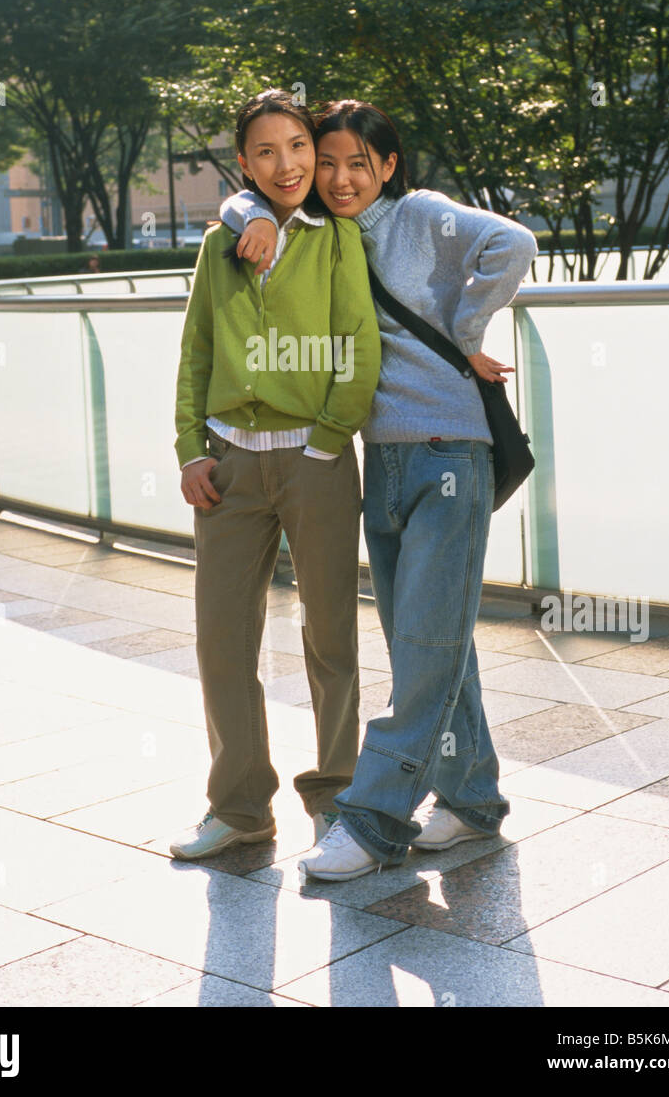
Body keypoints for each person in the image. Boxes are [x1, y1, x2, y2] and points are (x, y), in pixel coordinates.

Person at [220, 99, 537, 880]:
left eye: (357, 164)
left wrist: (465, 331)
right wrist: (248, 215)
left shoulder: (419, 214)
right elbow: (244, 202)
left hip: (448, 453)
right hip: (381, 460)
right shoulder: (320, 233)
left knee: (425, 650)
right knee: (430, 640)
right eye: (324, 162)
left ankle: (371, 819)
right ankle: (472, 799)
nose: (337, 178)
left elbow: (515, 242)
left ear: (388, 167)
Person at [170, 89, 381, 862]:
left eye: (298, 147)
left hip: (315, 463)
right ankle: (238, 809)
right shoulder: (220, 243)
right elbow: (196, 350)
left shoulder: (338, 238)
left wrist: (328, 439)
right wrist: (191, 449)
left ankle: (337, 799)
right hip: (229, 465)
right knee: (221, 641)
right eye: (266, 151)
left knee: (331, 637)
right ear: (244, 164)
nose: (286, 164)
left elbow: (358, 343)